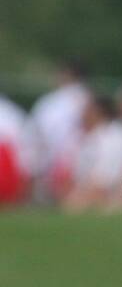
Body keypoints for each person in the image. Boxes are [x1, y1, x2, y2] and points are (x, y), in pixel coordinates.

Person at [63, 94, 122, 212]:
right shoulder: (89, 137)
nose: (82, 113)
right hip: (92, 191)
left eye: (86, 108)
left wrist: (76, 202)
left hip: (115, 194)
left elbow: (103, 179)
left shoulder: (114, 137)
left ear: (97, 111)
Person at [28, 60, 90, 200]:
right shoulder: (90, 98)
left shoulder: (52, 102)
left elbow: (36, 134)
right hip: (83, 159)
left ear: (65, 75)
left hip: (58, 161)